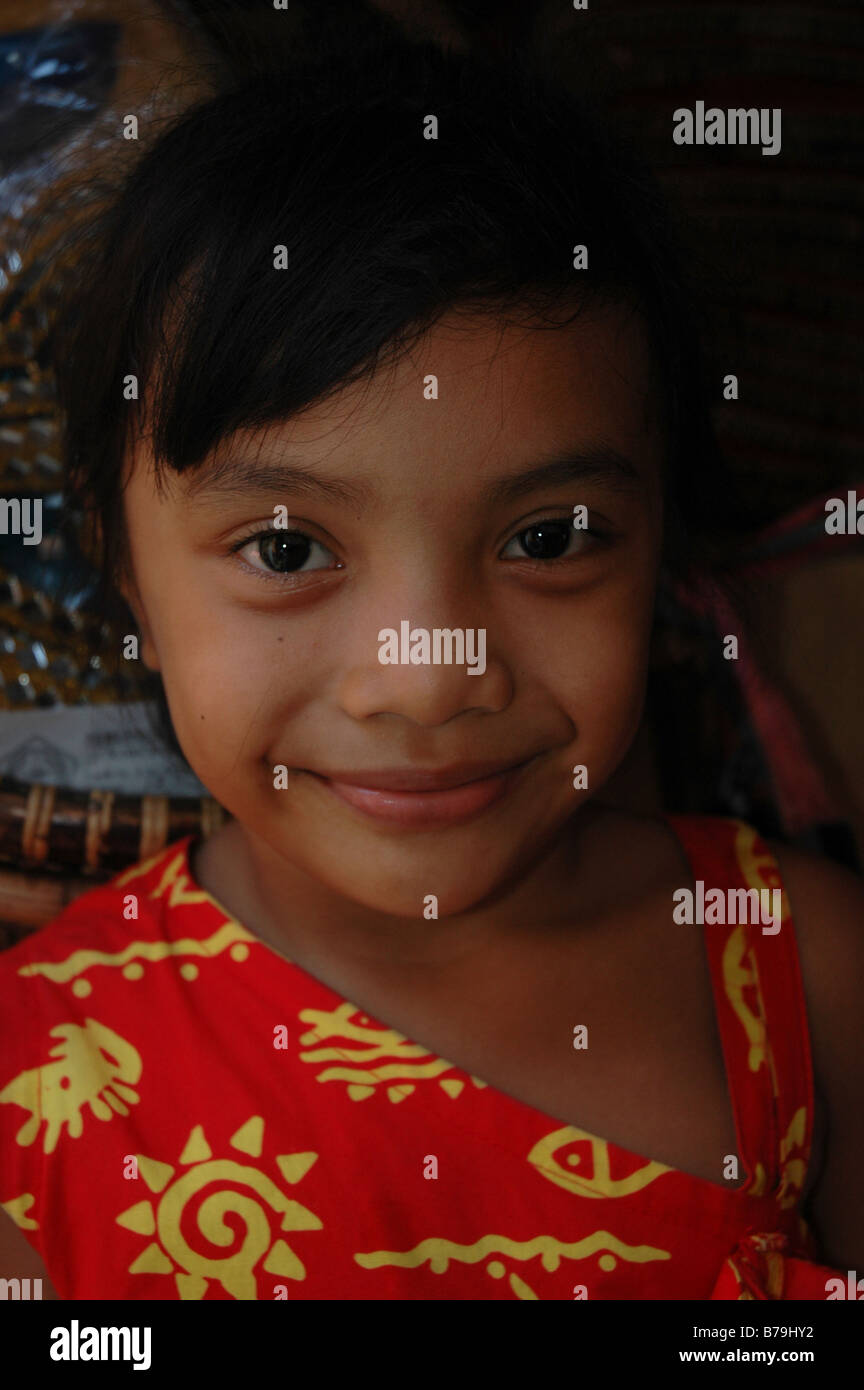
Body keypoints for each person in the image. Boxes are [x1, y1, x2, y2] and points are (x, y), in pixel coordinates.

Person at [0, 32, 861, 1302]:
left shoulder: (802, 965)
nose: (425, 677)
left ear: (658, 536)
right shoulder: (32, 1088)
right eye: (286, 547)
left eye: (549, 539)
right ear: (121, 566)